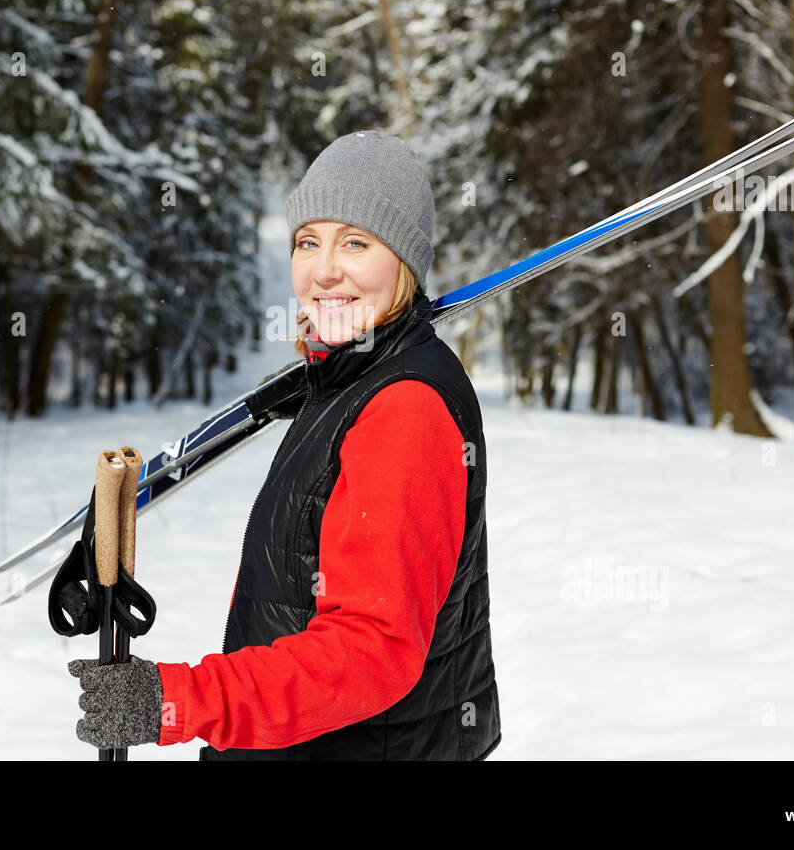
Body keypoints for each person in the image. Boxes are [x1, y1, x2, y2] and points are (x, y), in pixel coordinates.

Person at [70, 130, 501, 760]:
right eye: (308, 242)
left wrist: (178, 699)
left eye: (356, 242)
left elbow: (370, 650)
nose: (324, 269)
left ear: (403, 262)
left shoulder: (402, 407)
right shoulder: (349, 382)